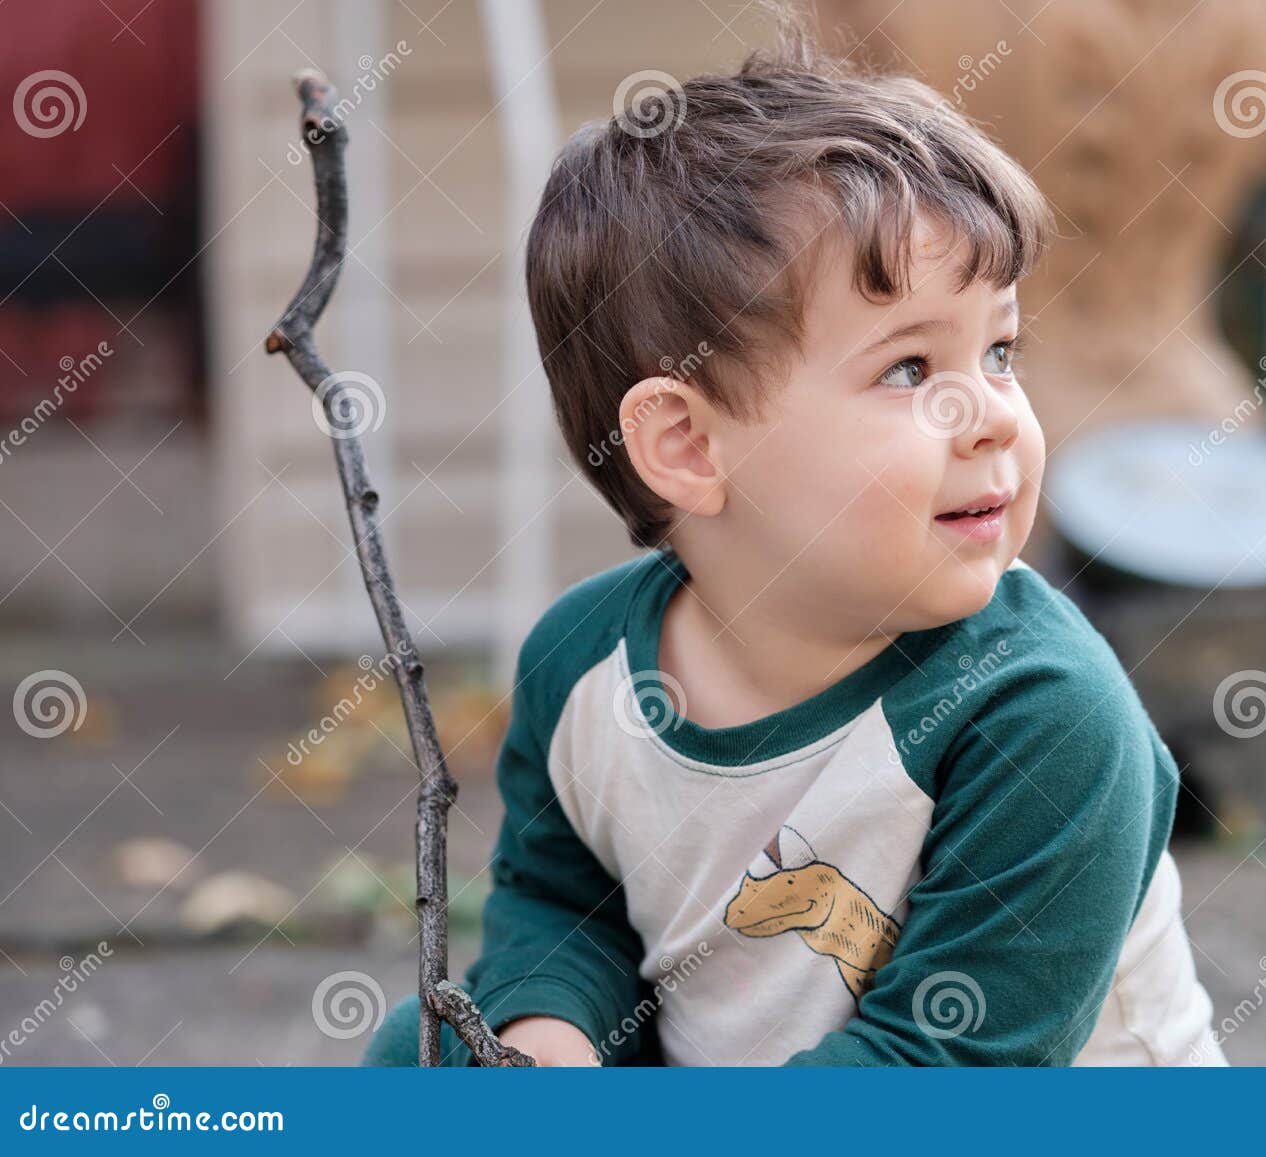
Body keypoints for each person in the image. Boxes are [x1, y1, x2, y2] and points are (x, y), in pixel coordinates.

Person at [364, 27, 1222, 1068]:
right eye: (910, 368)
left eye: (999, 349)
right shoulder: (580, 667)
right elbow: (561, 908)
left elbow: (938, 1069)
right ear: (685, 443)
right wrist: (548, 1054)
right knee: (432, 1048)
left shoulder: (1042, 711)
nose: (994, 414)